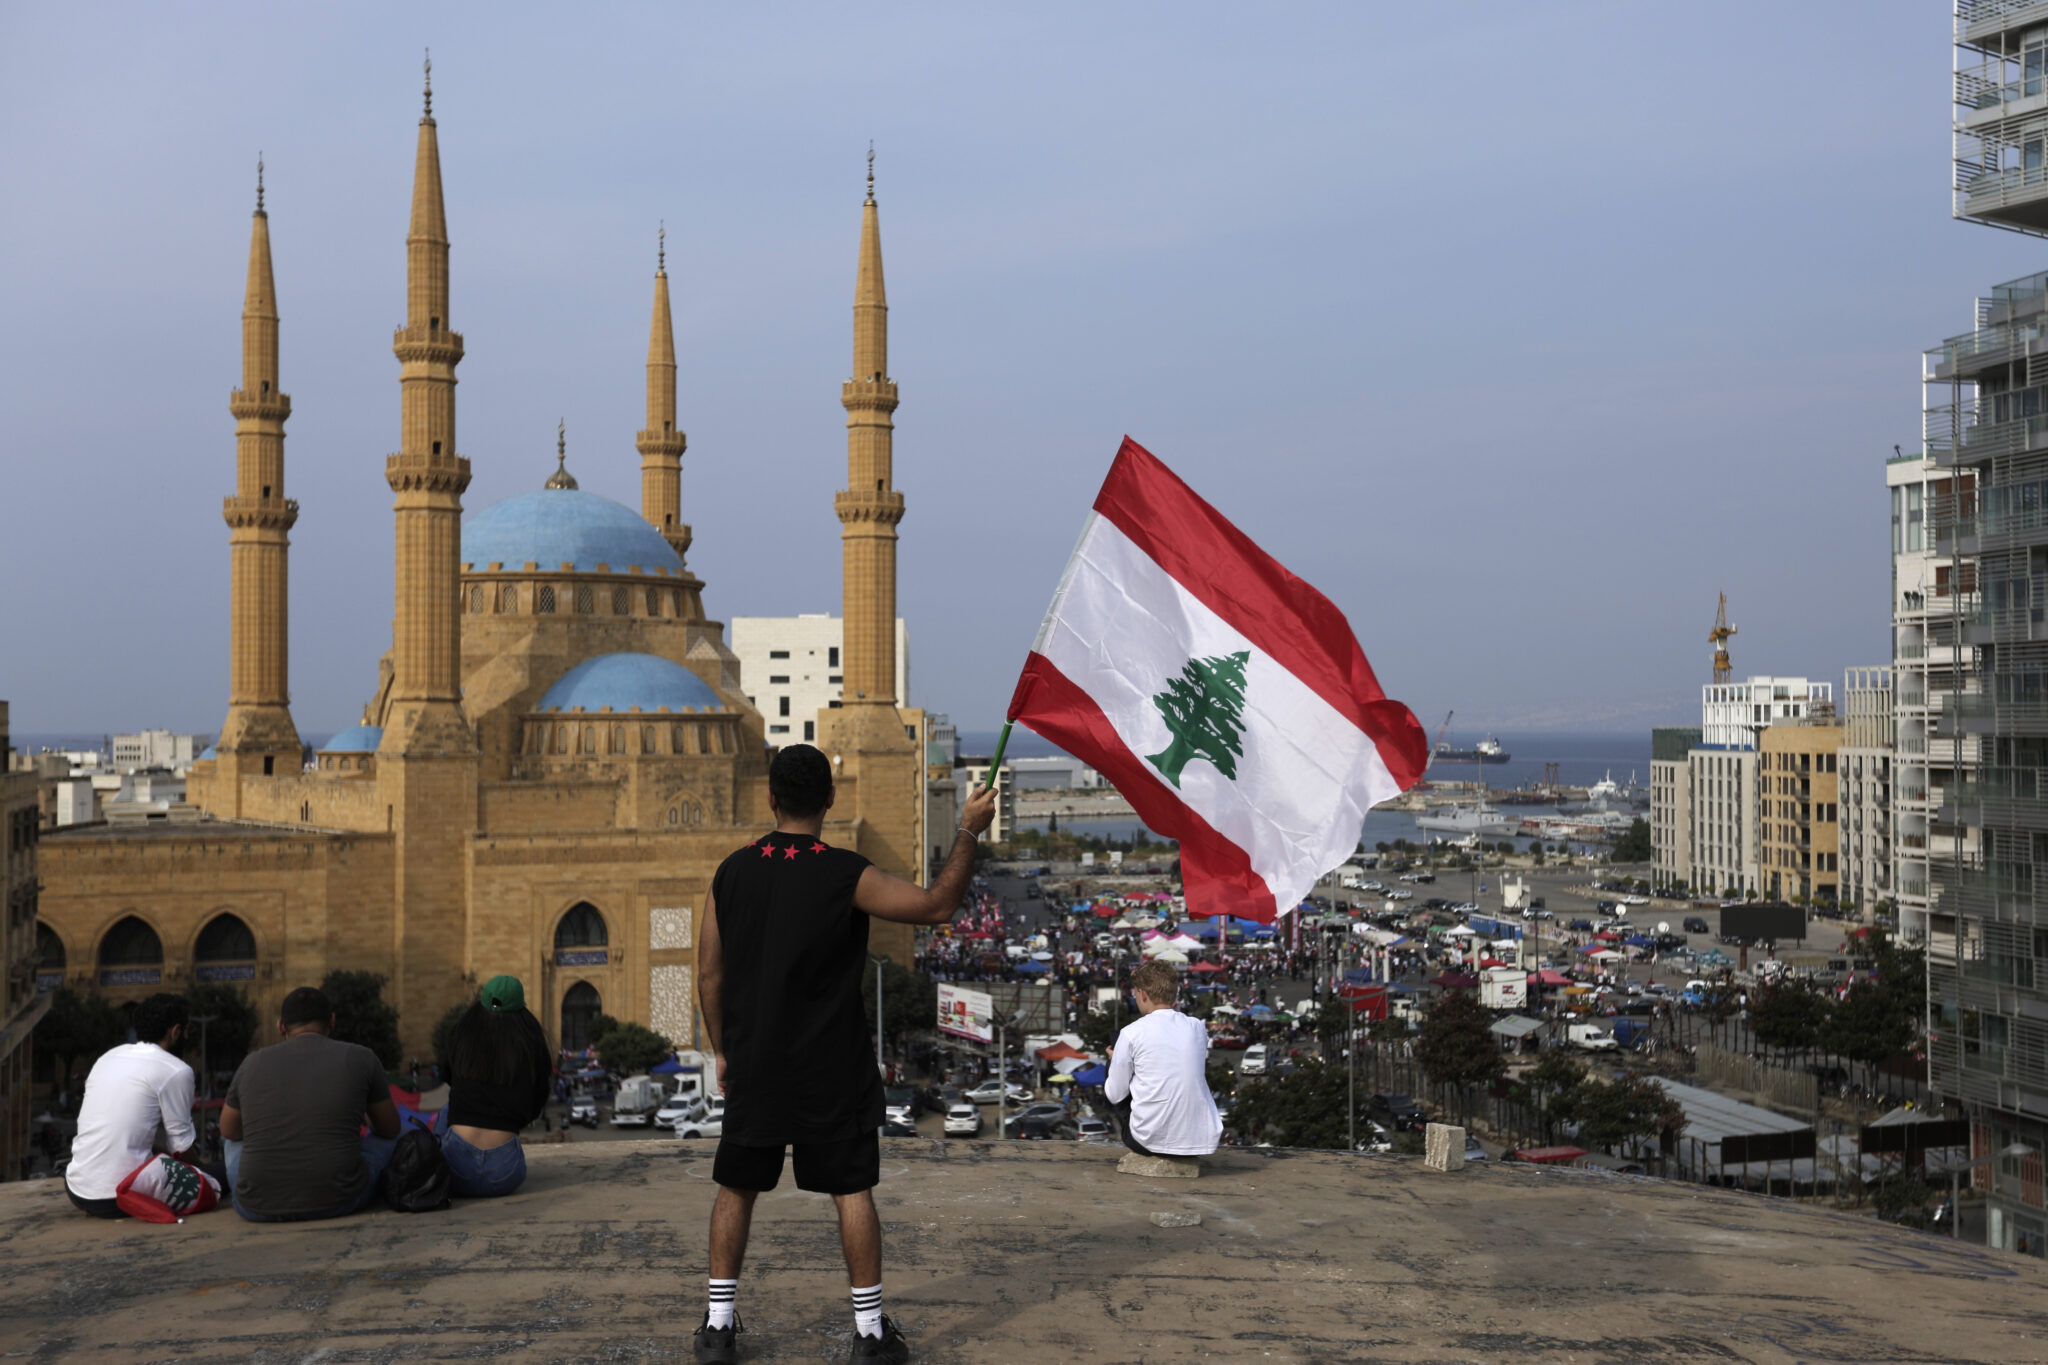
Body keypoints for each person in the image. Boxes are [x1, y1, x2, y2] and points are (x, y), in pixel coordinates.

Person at [690, 743, 997, 1365]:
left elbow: (709, 978)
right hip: (831, 1065)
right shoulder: (844, 873)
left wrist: (724, 1051)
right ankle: (868, 1334)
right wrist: (968, 830)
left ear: (770, 798)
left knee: (736, 1186)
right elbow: (937, 905)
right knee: (851, 1191)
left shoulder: (732, 872)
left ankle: (719, 1328)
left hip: (755, 1064)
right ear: (831, 799)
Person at [220, 985, 400, 1222]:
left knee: (230, 1143)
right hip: (342, 1199)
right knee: (398, 1137)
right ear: (332, 1021)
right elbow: (390, 1129)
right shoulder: (362, 1057)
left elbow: (229, 1130)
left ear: (281, 1026)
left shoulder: (251, 1062)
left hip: (255, 1205)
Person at [63, 993, 196, 1218]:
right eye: (187, 1030)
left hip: (77, 1190)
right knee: (219, 1176)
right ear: (175, 1032)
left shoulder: (108, 1057)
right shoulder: (176, 1070)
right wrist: (199, 1170)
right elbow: (181, 1149)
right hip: (120, 1197)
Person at [434, 975, 552, 1197]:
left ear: (484, 1001)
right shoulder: (530, 1043)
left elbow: (447, 1077)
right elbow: (535, 1106)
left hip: (454, 1173)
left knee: (446, 1111)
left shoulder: (463, 1034)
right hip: (506, 1175)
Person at [1104, 961, 1222, 1160]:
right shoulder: (1196, 1027)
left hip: (1147, 1141)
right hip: (1199, 1140)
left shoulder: (1132, 1032)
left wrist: (1116, 1062)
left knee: (1116, 1070)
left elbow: (1115, 1095)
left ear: (1143, 994)